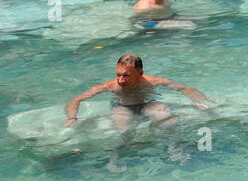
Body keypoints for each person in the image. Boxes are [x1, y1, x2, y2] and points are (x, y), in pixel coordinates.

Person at [64, 53, 210, 132]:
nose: (120, 80)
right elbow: (76, 99)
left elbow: (184, 88)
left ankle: (173, 146)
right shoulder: (111, 86)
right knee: (123, 130)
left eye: (126, 75)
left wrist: (198, 101)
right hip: (123, 107)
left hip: (147, 104)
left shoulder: (152, 81)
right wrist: (72, 117)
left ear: (140, 73)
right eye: (118, 75)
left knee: (167, 121)